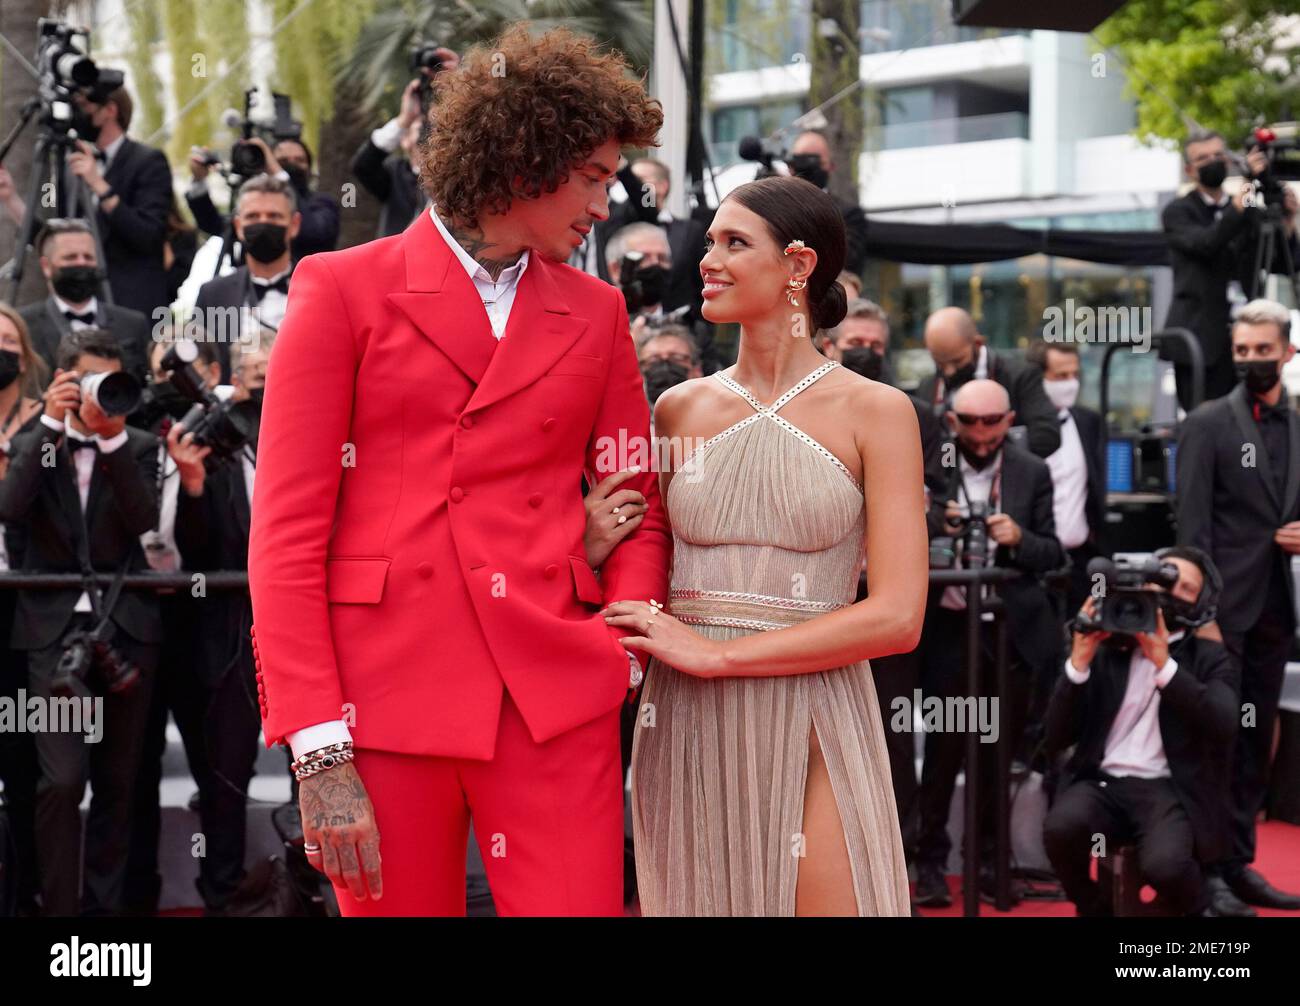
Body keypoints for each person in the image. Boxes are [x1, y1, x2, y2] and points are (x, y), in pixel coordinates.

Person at [246, 25, 668, 916]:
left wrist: (624, 647)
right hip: (384, 702)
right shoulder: (341, 288)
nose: (607, 201)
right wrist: (319, 750)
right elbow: (284, 538)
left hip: (556, 692)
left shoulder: (596, 312)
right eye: (592, 177)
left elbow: (638, 495)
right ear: (525, 165)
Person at [617, 174, 925, 916]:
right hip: (686, 718)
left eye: (733, 243)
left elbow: (897, 617)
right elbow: (642, 556)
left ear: (798, 265)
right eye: (710, 242)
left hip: (817, 706)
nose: (706, 260)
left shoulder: (878, 412)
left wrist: (720, 656)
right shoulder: (676, 408)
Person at [0, 328, 162, 916]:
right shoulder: (37, 441)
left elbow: (144, 519)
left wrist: (113, 440)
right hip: (52, 635)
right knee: (62, 782)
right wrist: (50, 425)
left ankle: (105, 920)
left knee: (119, 788)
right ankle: (60, 915)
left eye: (108, 382)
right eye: (87, 381)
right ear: (65, 381)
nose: (99, 394)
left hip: (127, 632)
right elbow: (11, 507)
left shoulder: (140, 445)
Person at [913, 378, 1065, 908]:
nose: (980, 434)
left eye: (991, 422)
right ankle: (929, 862)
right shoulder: (934, 462)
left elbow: (1056, 558)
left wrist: (1019, 540)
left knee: (996, 758)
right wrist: (938, 526)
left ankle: (989, 861)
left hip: (1009, 634)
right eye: (968, 422)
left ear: (1011, 419)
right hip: (947, 631)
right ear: (951, 419)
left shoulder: (1032, 471)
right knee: (942, 751)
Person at [1175, 297, 1300, 915]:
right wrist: (1206, 619)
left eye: (1263, 350)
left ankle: (1240, 863)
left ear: (1288, 351)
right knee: (1215, 744)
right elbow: (1191, 530)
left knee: (1255, 744)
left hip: (1280, 610)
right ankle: (1208, 874)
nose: (1252, 360)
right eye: (1243, 351)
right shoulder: (1207, 423)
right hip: (1223, 614)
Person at [1043, 548, 1238, 917]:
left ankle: (1195, 907)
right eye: (1165, 578)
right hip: (1103, 784)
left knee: (1166, 866)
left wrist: (1164, 664)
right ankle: (1095, 908)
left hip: (1167, 790)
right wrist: (1078, 664)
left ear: (1201, 604)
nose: (1171, 590)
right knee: (1061, 829)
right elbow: (1054, 737)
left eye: (1185, 587)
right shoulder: (1108, 645)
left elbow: (1225, 723)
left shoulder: (1207, 656)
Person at [1162, 131, 1298, 409]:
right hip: (1199, 342)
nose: (1212, 161)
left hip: (1245, 340)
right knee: (1205, 421)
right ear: (1189, 170)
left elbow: (1283, 263)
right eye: (1203, 158)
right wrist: (1243, 194)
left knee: (1249, 420)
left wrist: (1288, 221)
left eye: (1217, 155)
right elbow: (1207, 243)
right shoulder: (1178, 212)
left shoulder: (1244, 207)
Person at [67, 85, 174, 320]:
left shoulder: (148, 161)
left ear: (110, 110)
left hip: (135, 306)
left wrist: (100, 187)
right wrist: (10, 198)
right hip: (86, 306)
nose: (79, 115)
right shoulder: (72, 168)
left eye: (85, 106)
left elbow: (149, 235)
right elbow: (58, 234)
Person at [190, 174, 301, 384]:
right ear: (238, 225)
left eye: (274, 216)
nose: (263, 223)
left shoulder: (320, 291)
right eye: (253, 217)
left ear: (294, 224)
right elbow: (200, 363)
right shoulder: (213, 294)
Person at [1024, 339, 1106, 616]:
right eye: (1060, 376)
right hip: (1032, 563)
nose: (1070, 383)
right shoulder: (1019, 428)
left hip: (1080, 560)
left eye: (1074, 375)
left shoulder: (1088, 423)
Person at [19, 219, 152, 385]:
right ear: (46, 266)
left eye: (88, 257)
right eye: (70, 257)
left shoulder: (133, 324)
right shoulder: (23, 326)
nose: (81, 263)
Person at [917, 306, 1060, 459]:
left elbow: (1047, 436)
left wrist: (995, 452)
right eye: (939, 362)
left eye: (957, 361)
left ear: (978, 343)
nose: (949, 371)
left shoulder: (1019, 376)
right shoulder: (929, 387)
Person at [349, 54, 460, 239]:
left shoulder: (458, 172)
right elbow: (362, 166)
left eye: (435, 125)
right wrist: (404, 119)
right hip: (397, 261)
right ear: (404, 140)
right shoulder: (396, 173)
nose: (428, 129)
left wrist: (461, 82)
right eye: (419, 126)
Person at [188, 135, 339, 260]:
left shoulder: (323, 204)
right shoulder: (255, 203)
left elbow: (313, 231)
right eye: (283, 161)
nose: (291, 165)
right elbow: (214, 225)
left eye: (299, 160)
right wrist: (199, 180)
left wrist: (278, 173)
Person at [628, 158, 708, 321]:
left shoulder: (690, 231)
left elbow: (702, 286)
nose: (633, 187)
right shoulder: (621, 226)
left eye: (639, 181)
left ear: (662, 187)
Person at [787, 130, 868, 276]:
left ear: (831, 166)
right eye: (802, 161)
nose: (809, 168)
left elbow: (846, 262)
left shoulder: (849, 215)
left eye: (816, 161)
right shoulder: (777, 209)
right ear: (791, 166)